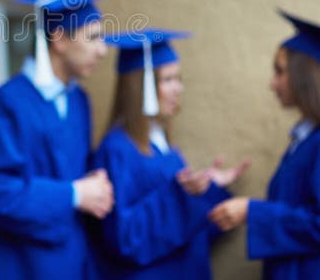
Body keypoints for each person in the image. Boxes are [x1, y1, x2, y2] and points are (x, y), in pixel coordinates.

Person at [208, 10, 320, 279]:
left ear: (305, 78)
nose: (272, 84)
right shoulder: (306, 143)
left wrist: (251, 212)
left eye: (279, 72)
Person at [0, 0, 117, 279]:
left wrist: (93, 183)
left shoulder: (79, 101)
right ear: (60, 39)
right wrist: (75, 194)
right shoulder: (5, 104)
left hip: (70, 261)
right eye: (93, 38)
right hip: (19, 265)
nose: (102, 50)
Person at [91, 29, 249, 279]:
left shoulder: (162, 146)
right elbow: (125, 238)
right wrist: (181, 194)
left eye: (179, 79)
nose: (179, 88)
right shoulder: (117, 151)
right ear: (140, 86)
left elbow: (183, 228)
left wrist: (209, 190)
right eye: (168, 80)